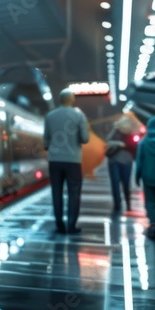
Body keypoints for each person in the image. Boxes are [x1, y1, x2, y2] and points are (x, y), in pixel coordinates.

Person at [43, 88, 90, 234]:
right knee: (74, 193)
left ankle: (59, 225)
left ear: (60, 99)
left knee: (56, 192)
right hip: (73, 161)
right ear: (72, 99)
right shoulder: (79, 114)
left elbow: (45, 143)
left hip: (55, 161)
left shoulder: (50, 116)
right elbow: (85, 138)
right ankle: (71, 225)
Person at [105, 117, 138, 213]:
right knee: (122, 183)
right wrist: (119, 143)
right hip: (120, 161)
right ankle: (120, 203)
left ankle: (122, 203)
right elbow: (108, 142)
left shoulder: (132, 134)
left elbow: (134, 147)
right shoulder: (116, 131)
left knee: (121, 183)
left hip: (121, 161)